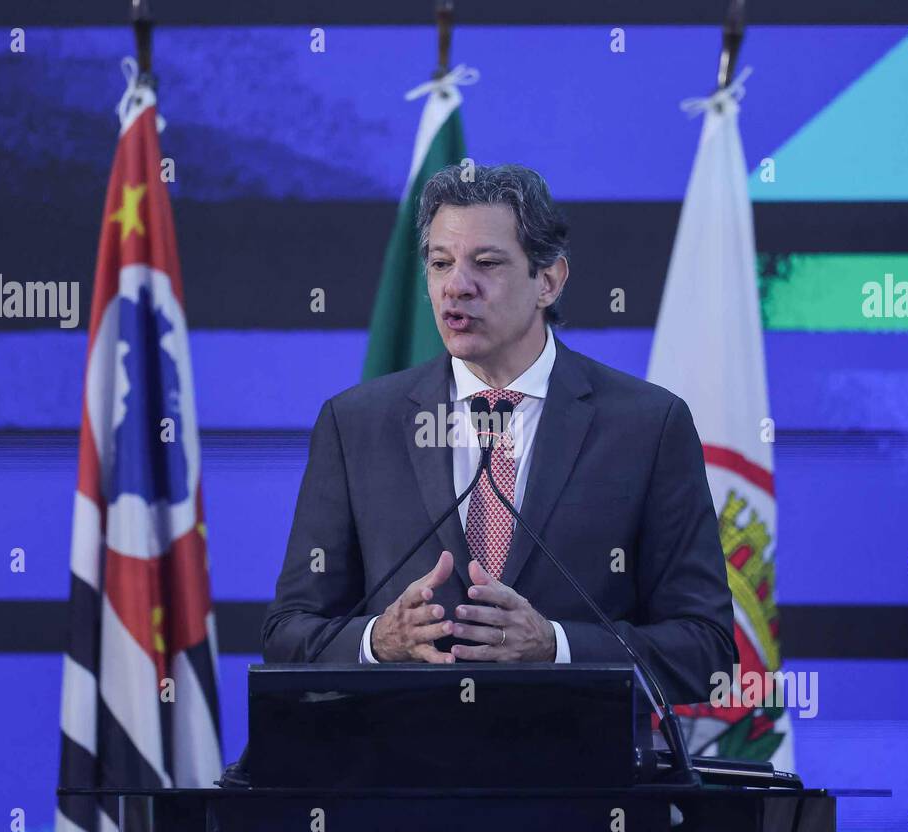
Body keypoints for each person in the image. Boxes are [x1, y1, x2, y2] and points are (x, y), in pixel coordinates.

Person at [262, 163, 734, 704]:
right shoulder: (358, 424)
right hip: (400, 776)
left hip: (578, 780)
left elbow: (707, 651)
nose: (456, 287)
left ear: (549, 280)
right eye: (440, 263)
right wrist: (378, 640)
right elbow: (288, 635)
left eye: (486, 263)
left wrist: (555, 646)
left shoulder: (648, 425)